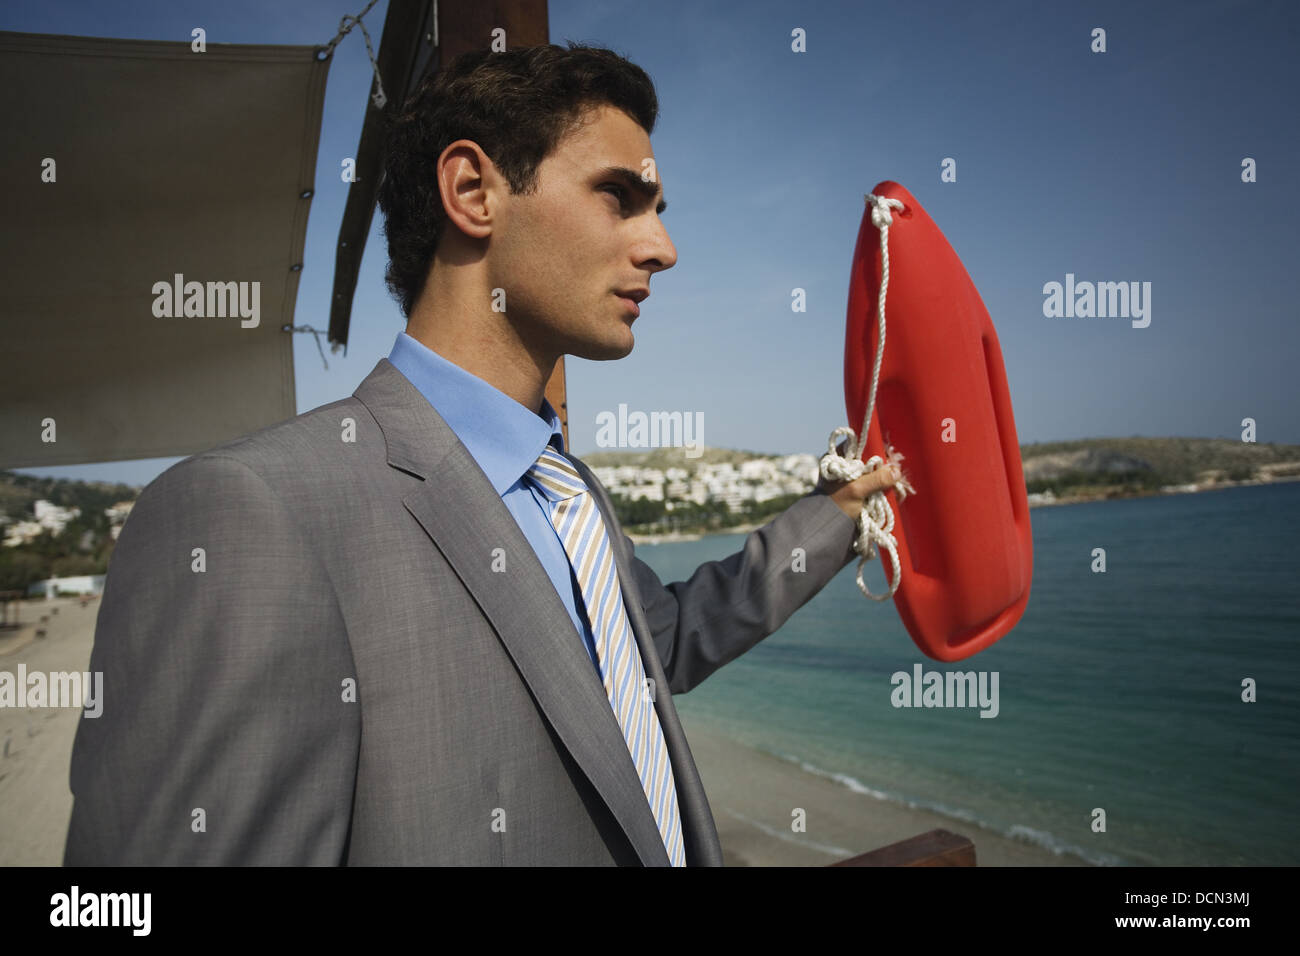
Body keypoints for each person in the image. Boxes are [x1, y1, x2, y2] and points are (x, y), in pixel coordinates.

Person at [63, 42, 898, 866]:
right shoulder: (252, 512)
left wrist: (837, 518)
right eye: (620, 196)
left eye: (660, 210)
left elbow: (667, 641)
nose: (662, 249)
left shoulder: (567, 494)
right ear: (472, 191)